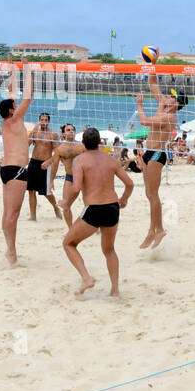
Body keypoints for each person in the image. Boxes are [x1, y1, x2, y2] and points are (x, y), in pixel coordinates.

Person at [60, 127, 135, 296]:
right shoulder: (111, 160)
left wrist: (66, 204)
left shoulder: (80, 160)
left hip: (94, 209)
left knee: (68, 243)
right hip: (112, 208)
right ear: (100, 142)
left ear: (83, 144)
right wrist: (124, 199)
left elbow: (76, 187)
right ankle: (115, 290)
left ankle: (87, 278)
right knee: (109, 250)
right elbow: (130, 184)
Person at [135, 73, 185, 249]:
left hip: (157, 154)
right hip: (148, 153)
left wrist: (140, 106)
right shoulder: (162, 104)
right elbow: (153, 83)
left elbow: (145, 121)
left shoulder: (169, 118)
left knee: (153, 195)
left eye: (172, 97)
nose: (168, 97)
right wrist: (152, 65)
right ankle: (156, 230)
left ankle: (155, 230)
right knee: (149, 195)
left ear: (176, 104)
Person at [0, 62, 37, 266]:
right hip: (17, 171)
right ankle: (11, 251)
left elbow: (12, 93)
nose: (16, 106)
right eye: (14, 106)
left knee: (8, 214)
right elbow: (28, 96)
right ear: (12, 111)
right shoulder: (15, 119)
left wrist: (14, 69)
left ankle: (9, 249)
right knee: (12, 215)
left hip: (6, 169)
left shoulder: (7, 121)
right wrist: (28, 70)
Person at [44, 124, 84, 227]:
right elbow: (55, 166)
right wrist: (51, 181)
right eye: (68, 130)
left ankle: (94, 227)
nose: (71, 131)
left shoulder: (82, 146)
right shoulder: (60, 149)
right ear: (63, 133)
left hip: (83, 177)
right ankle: (71, 229)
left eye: (72, 129)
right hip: (70, 178)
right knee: (66, 205)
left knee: (90, 204)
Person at [26, 112, 61, 220]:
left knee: (46, 192)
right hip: (33, 163)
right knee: (31, 190)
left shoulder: (53, 134)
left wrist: (49, 161)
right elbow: (25, 145)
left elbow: (58, 153)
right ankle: (33, 216)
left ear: (49, 122)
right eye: (42, 120)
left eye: (46, 120)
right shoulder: (35, 132)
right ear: (39, 121)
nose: (44, 122)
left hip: (45, 165)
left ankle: (56, 208)